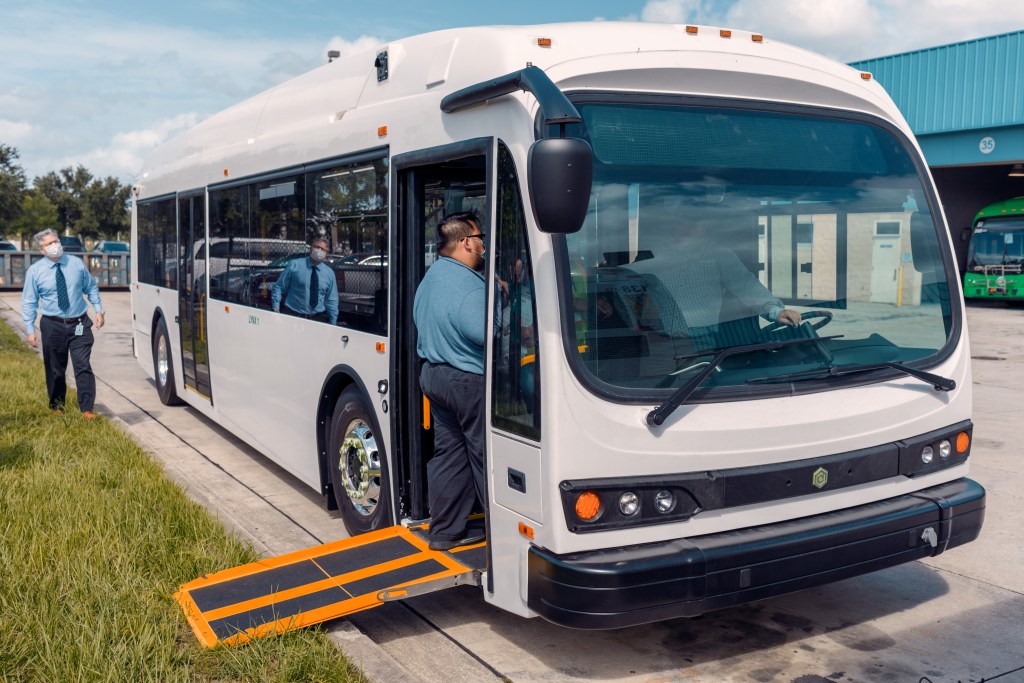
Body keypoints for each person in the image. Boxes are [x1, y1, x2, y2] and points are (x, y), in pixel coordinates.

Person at [413, 212, 489, 551]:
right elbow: (482, 333)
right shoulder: (470, 285)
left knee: (450, 454)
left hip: (434, 375)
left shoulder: (431, 277)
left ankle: (444, 532)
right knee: (485, 454)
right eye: (481, 238)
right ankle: (503, 534)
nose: (484, 246)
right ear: (466, 242)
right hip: (467, 380)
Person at [21, 229, 105, 419]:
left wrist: (98, 310)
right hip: (53, 325)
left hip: (79, 323)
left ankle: (87, 409)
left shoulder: (75, 263)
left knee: (82, 365)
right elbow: (29, 302)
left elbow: (90, 287)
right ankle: (57, 405)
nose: (54, 246)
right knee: (55, 368)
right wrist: (29, 329)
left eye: (56, 241)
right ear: (42, 250)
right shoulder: (35, 271)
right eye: (49, 244)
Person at [270, 237, 338, 324]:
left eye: (322, 249)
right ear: (311, 248)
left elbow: (332, 299)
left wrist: (333, 322)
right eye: (316, 247)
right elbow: (279, 287)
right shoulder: (295, 265)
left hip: (317, 319)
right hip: (293, 315)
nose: (318, 250)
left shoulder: (329, 273)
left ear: (326, 253)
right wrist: (276, 310)